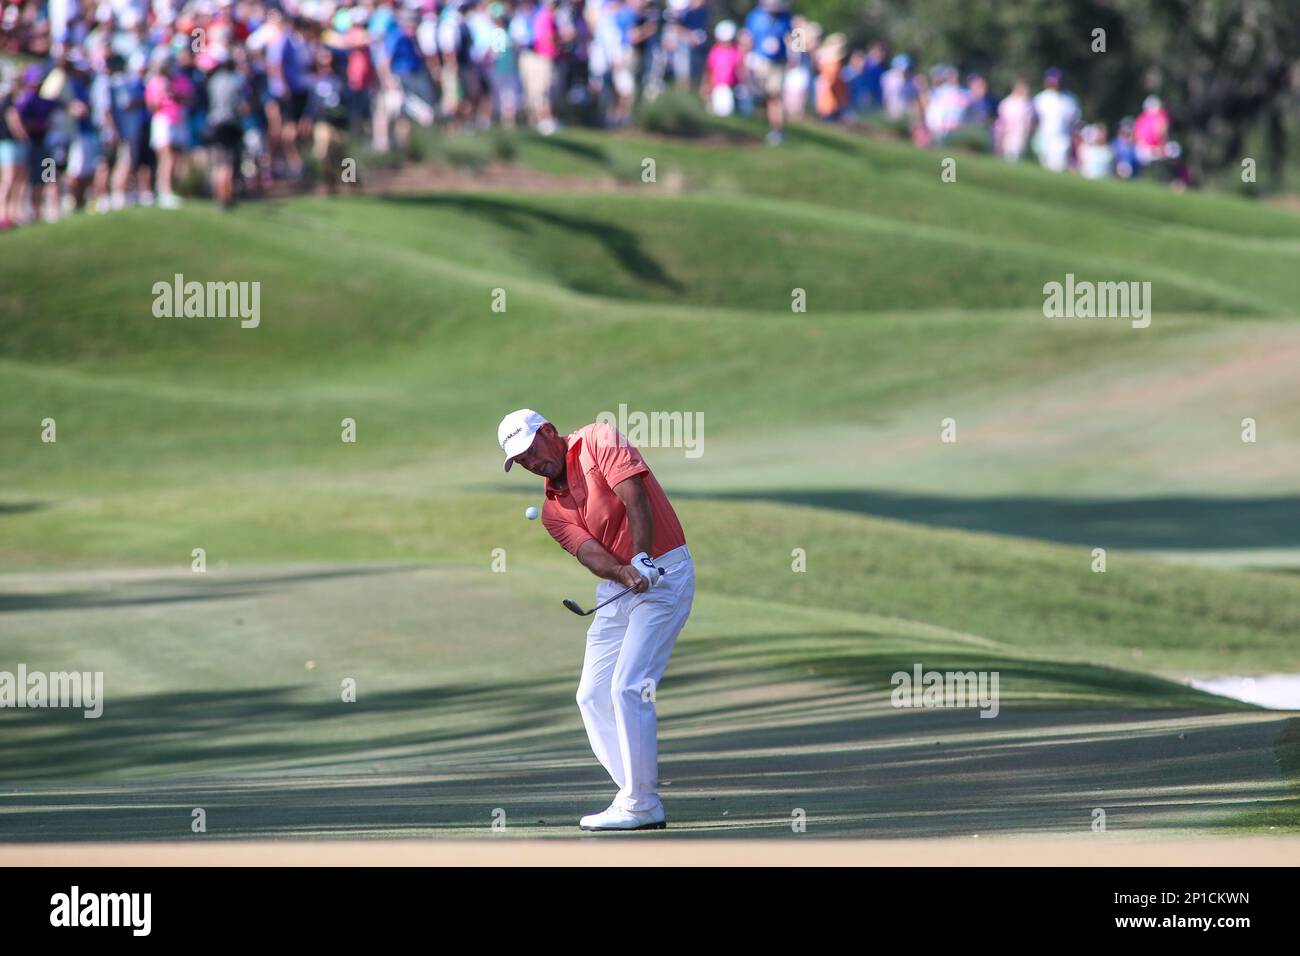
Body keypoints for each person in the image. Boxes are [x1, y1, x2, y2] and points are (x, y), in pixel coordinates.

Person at [498, 409, 695, 831]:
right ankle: (636, 794)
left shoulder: (600, 438)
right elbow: (589, 552)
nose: (532, 463)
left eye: (532, 449)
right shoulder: (552, 511)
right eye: (522, 460)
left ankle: (640, 802)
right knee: (590, 695)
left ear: (549, 432)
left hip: (665, 572)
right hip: (619, 589)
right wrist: (624, 572)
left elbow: (634, 496)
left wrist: (641, 557)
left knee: (627, 686)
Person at [742, 0, 791, 145]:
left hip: (778, 63)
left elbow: (797, 41)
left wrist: (795, 56)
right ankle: (768, 124)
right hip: (758, 61)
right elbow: (747, 38)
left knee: (775, 96)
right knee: (763, 96)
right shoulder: (754, 16)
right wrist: (745, 58)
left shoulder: (786, 18)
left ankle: (777, 130)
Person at [1032, 67, 1078, 172]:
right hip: (1043, 135)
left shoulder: (1070, 99)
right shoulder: (1040, 98)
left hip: (1061, 137)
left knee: (1057, 166)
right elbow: (1035, 120)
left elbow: (1074, 121)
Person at [703, 18, 741, 117]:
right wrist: (707, 86)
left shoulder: (736, 51)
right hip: (717, 87)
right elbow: (709, 70)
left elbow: (740, 70)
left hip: (732, 88)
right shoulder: (715, 51)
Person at [995, 78, 1033, 161]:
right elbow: (1001, 121)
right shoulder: (1007, 103)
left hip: (1021, 134)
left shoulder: (1028, 104)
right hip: (1008, 134)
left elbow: (1029, 122)